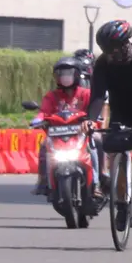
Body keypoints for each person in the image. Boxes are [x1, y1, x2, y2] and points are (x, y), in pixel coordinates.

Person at [82, 20, 132, 218]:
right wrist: (91, 119)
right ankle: (121, 202)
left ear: (126, 44)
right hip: (121, 108)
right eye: (107, 50)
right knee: (115, 153)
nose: (111, 55)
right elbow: (98, 95)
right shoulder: (103, 64)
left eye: (114, 50)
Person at [31, 56, 100, 200]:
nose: (65, 77)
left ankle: (97, 181)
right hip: (58, 135)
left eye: (69, 73)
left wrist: (93, 120)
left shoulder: (85, 93)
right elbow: (43, 112)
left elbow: (95, 109)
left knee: (96, 142)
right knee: (44, 146)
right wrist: (38, 120)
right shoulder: (52, 96)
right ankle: (43, 180)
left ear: (76, 75)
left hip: (82, 133)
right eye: (62, 74)